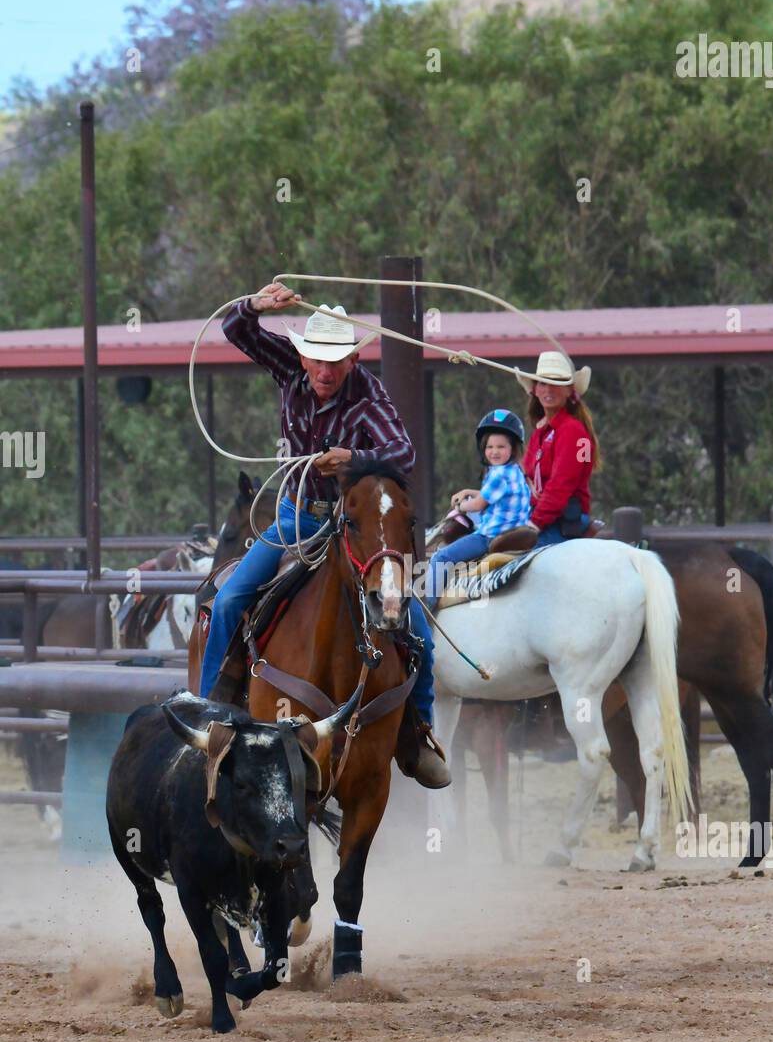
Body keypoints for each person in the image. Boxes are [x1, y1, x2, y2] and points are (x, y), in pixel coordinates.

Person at [199, 281, 450, 788]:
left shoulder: (368, 393)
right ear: (303, 357)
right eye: (317, 359)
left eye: (335, 361)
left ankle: (416, 733)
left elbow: (404, 454)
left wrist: (355, 460)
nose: (324, 370)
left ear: (353, 361)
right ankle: (210, 716)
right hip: (293, 517)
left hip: (345, 526)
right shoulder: (289, 369)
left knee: (416, 627)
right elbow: (234, 328)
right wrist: (256, 304)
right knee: (228, 600)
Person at [425, 409, 531, 608]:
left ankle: (427, 605)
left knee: (441, 557)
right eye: (490, 447)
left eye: (501, 447)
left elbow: (478, 504)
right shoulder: (515, 471)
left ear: (513, 449)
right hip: (516, 529)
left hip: (491, 535)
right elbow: (491, 496)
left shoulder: (497, 474)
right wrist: (469, 491)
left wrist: (461, 505)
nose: (494, 451)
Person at [517, 352, 602, 547]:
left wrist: (534, 524)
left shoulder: (572, 430)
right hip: (542, 515)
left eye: (558, 383)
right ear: (535, 390)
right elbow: (527, 477)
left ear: (569, 390)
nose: (549, 389)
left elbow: (561, 485)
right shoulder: (541, 431)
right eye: (543, 382)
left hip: (561, 520)